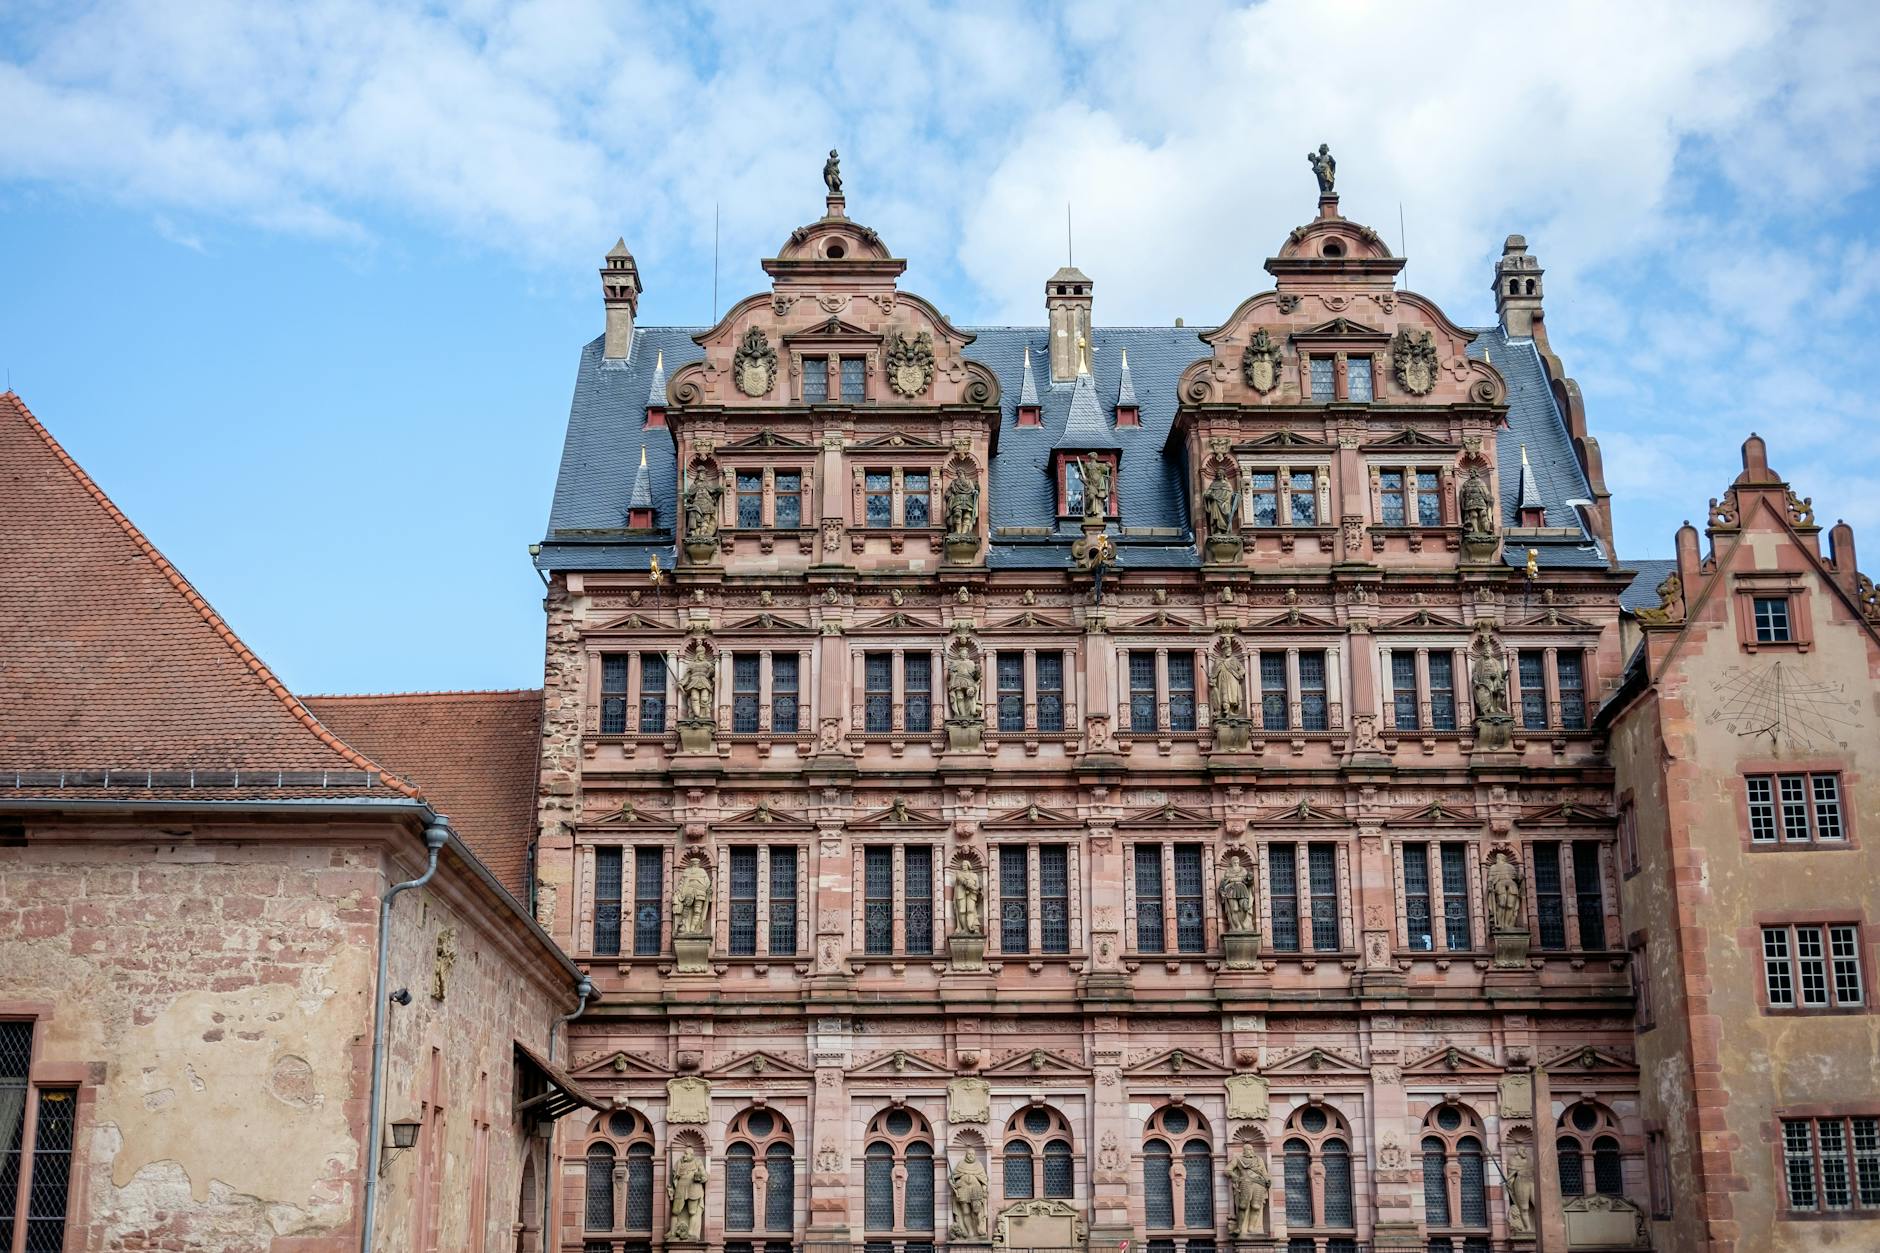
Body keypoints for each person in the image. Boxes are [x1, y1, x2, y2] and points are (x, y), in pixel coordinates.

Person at [1229, 1148, 1270, 1237]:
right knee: (1243, 1206)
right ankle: (1240, 1228)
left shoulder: (1259, 1159)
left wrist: (1267, 1180)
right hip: (1245, 1182)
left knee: (1256, 1206)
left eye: (1251, 1149)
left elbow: (1265, 1173)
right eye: (1247, 1149)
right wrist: (1235, 1177)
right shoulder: (1238, 1159)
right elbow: (1228, 1170)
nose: (1250, 1150)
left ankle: (1251, 1228)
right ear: (1244, 1150)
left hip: (1259, 1183)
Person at [667, 1147, 706, 1239]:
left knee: (692, 1211)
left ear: (692, 1155)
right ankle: (672, 1232)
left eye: (686, 1154)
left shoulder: (698, 1162)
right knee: (675, 1211)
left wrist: (699, 1177)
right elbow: (675, 1177)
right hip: (680, 1187)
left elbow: (704, 1176)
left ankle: (691, 1233)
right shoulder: (679, 1163)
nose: (684, 1155)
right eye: (684, 1153)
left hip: (694, 1188)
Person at [949, 1149, 988, 1240]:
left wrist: (984, 1187)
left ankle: (979, 1228)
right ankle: (970, 1231)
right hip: (963, 1188)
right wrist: (952, 1183)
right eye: (969, 1154)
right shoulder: (961, 1164)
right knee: (965, 1211)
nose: (971, 1155)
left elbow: (984, 1178)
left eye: (972, 1154)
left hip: (975, 1188)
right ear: (966, 1155)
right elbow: (952, 1177)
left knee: (976, 1210)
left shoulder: (978, 1164)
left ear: (975, 1155)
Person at [952, 860, 983, 936]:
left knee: (970, 910)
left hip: (971, 894)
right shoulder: (959, 874)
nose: (963, 866)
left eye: (965, 865)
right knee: (962, 911)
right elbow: (960, 882)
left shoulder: (974, 875)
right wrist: (967, 884)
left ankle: (970, 927)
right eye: (962, 865)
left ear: (968, 866)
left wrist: (975, 888)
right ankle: (964, 929)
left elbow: (978, 886)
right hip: (961, 893)